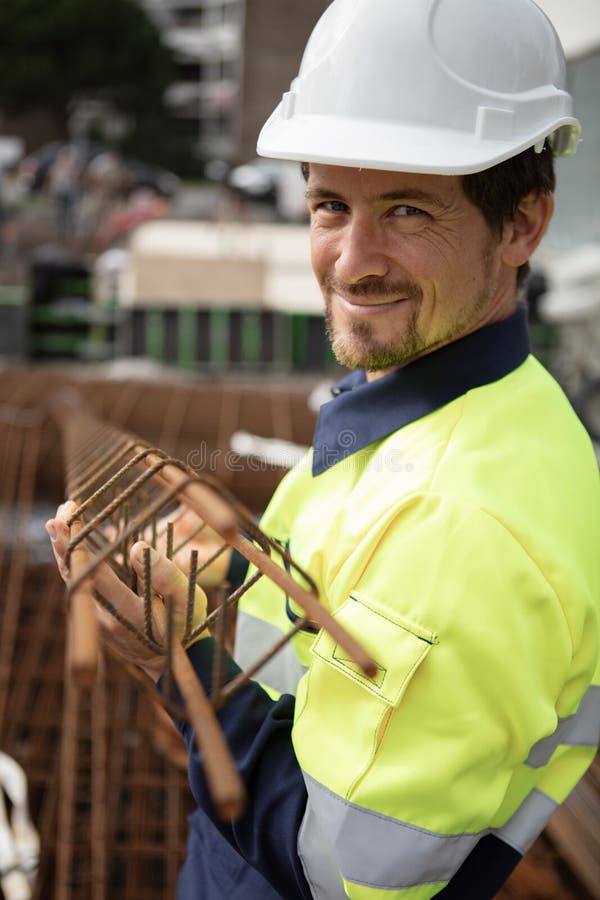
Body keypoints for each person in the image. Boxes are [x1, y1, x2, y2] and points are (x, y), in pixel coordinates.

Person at [46, 0, 600, 897]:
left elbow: (341, 874)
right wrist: (230, 573)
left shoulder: (463, 520)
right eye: (331, 206)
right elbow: (347, 605)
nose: (351, 261)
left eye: (408, 210)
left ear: (521, 226)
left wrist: (180, 662)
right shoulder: (443, 405)